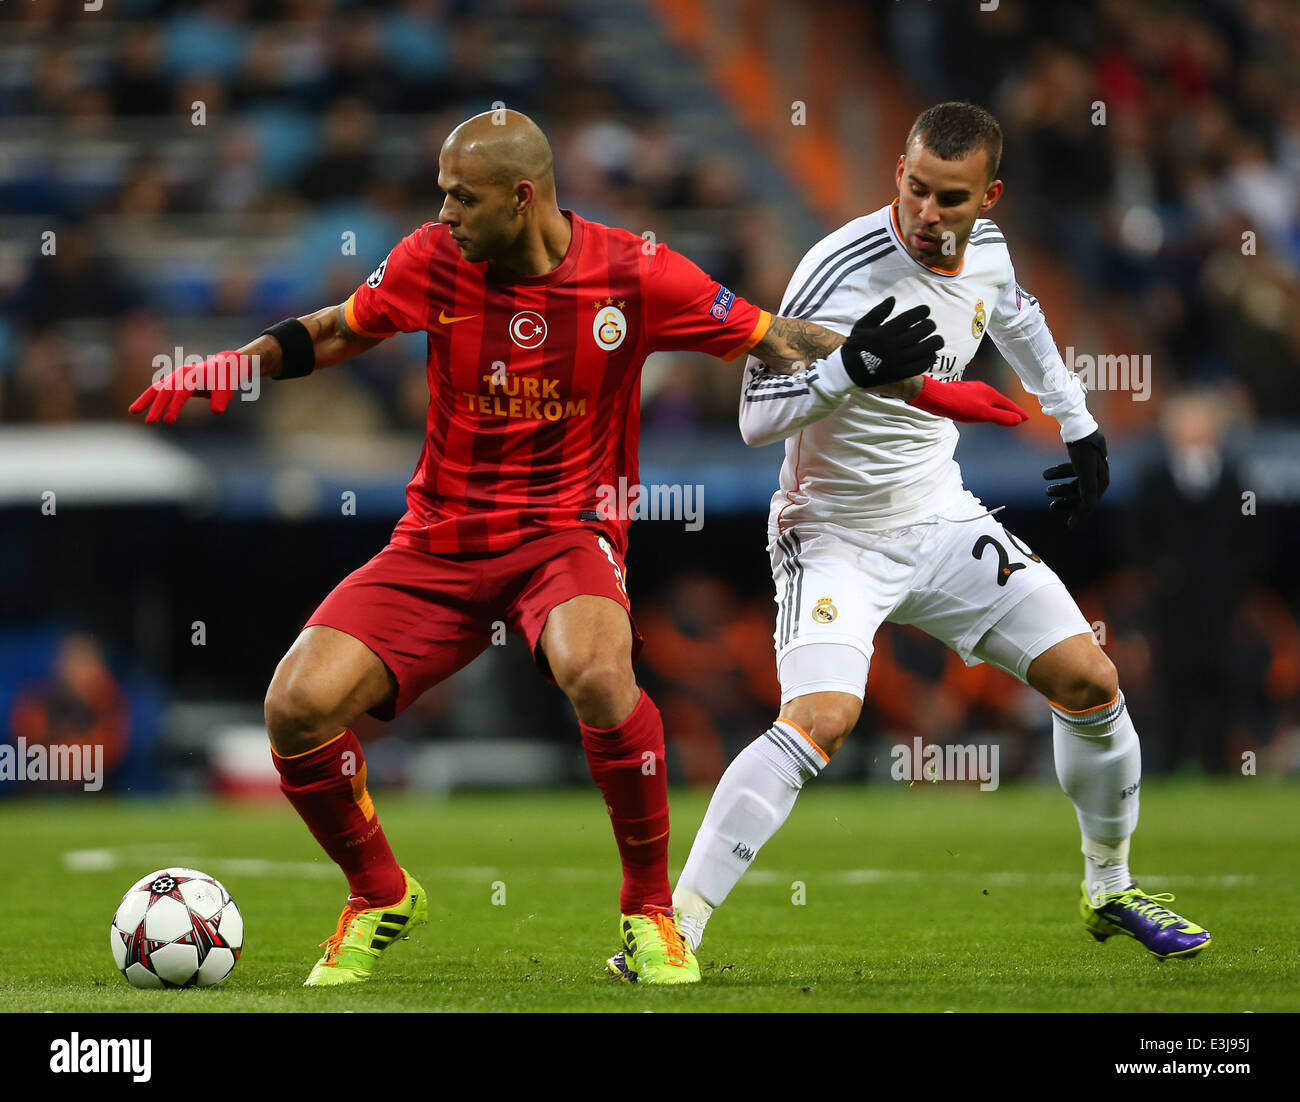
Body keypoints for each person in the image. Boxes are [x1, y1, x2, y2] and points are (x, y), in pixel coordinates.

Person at [130, 109, 1022, 987]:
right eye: (441, 196)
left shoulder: (634, 272)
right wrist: (239, 362)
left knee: (599, 675)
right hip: (439, 538)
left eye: (460, 199)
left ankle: (650, 914)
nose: (444, 215)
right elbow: (337, 329)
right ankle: (380, 894)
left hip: (568, 534)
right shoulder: (429, 261)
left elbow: (773, 335)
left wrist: (930, 392)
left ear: (522, 198)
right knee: (294, 707)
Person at [660, 102, 1211, 977]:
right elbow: (755, 417)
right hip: (833, 531)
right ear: (899, 177)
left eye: (950, 198)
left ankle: (1110, 888)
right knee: (821, 718)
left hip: (941, 516)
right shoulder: (835, 265)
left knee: (1091, 679)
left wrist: (1078, 423)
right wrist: (847, 368)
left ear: (988, 197)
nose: (927, 213)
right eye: (915, 188)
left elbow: (1019, 316)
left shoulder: (987, 252)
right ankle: (674, 926)